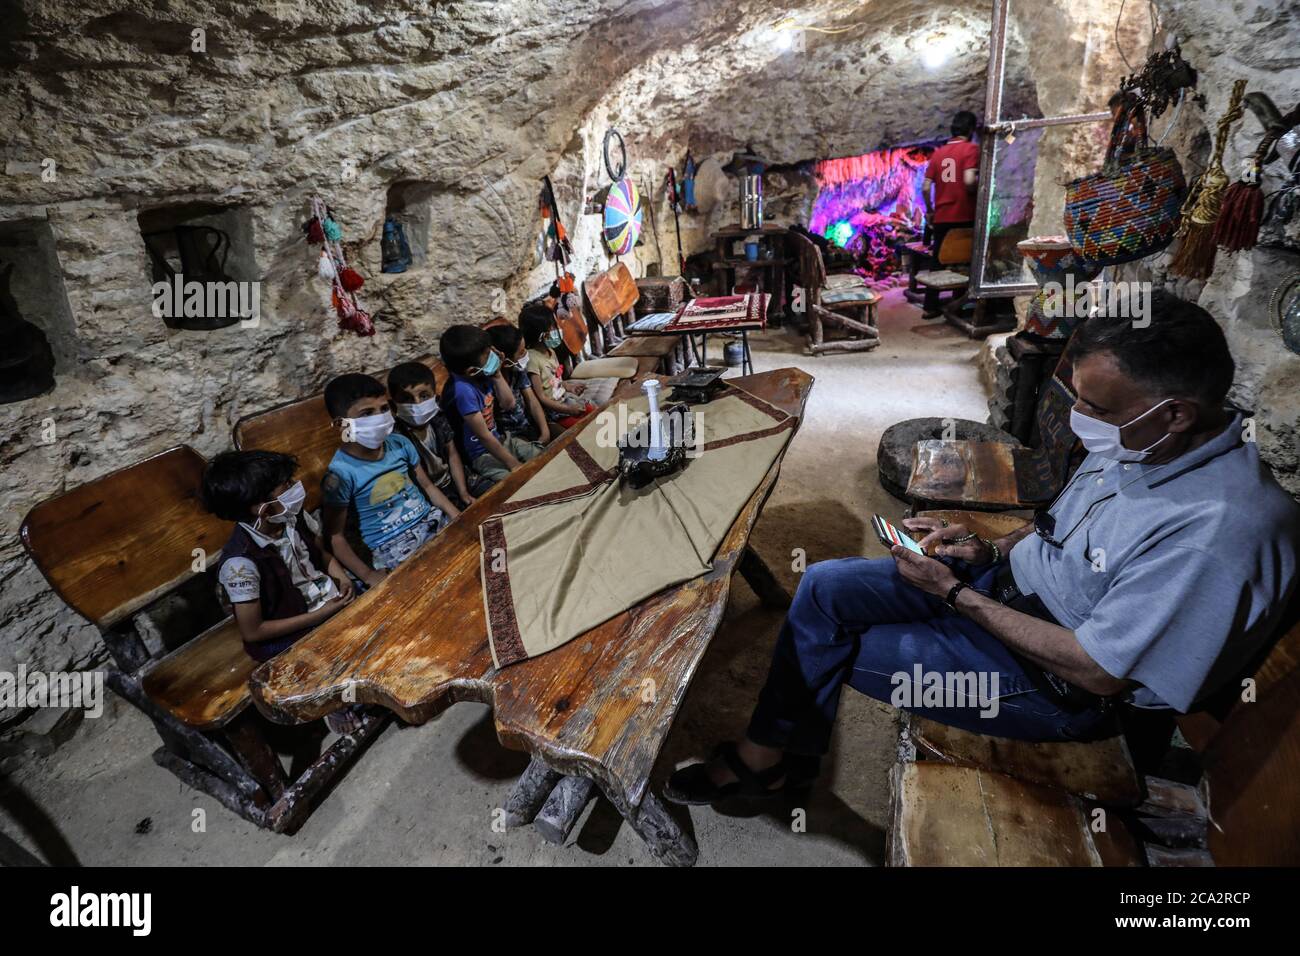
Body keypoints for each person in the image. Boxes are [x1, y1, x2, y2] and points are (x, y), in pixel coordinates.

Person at [666, 292, 1300, 804]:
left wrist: (952, 592)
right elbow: (1057, 526)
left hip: (1060, 685)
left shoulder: (1214, 532)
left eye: (1093, 405)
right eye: (1076, 394)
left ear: (1178, 412)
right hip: (1010, 596)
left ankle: (769, 765)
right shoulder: (1143, 441)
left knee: (834, 650)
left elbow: (1098, 670)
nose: (1078, 415)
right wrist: (989, 551)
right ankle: (771, 757)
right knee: (824, 586)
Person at [201, 450, 354, 662]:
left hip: (329, 604)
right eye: (287, 486)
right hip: (292, 634)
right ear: (262, 509)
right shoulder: (240, 564)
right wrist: (319, 616)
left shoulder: (291, 517)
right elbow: (253, 631)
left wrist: (343, 579)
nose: (295, 487)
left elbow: (321, 553)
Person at [320, 373, 461, 586]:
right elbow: (335, 536)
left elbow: (428, 486)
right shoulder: (340, 473)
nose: (379, 417)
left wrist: (457, 516)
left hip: (433, 521)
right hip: (393, 548)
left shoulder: (399, 443)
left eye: (384, 409)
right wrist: (367, 575)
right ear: (342, 424)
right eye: (367, 413)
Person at [439, 324, 544, 485]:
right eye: (489, 355)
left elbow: (509, 404)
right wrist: (512, 464)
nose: (494, 356)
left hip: (502, 440)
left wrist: (497, 374)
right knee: (518, 483)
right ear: (471, 371)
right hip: (481, 454)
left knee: (543, 456)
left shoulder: (482, 373)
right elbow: (483, 436)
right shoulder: (463, 391)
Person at [388, 360, 479, 506]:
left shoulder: (438, 418)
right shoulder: (397, 438)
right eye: (407, 398)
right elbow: (419, 484)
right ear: (393, 405)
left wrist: (463, 492)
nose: (417, 404)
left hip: (457, 479)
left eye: (424, 396)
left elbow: (452, 454)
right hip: (427, 495)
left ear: (435, 398)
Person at [519, 303, 593, 430]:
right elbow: (541, 397)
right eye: (553, 327)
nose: (558, 329)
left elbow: (556, 381)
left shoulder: (551, 352)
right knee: (585, 428)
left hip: (565, 401)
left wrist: (569, 387)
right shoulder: (532, 360)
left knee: (595, 412)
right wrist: (568, 409)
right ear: (542, 334)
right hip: (554, 412)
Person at [922, 110, 980, 258]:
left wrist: (929, 211)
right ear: (971, 129)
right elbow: (969, 180)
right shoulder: (971, 149)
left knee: (940, 262)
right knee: (963, 264)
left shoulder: (938, 153)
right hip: (965, 217)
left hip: (941, 219)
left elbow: (926, 187)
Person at [487, 323, 550, 444]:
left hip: (528, 426)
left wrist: (545, 431)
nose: (526, 354)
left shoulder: (517, 371)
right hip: (511, 437)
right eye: (521, 352)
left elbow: (532, 401)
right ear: (504, 361)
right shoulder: (490, 385)